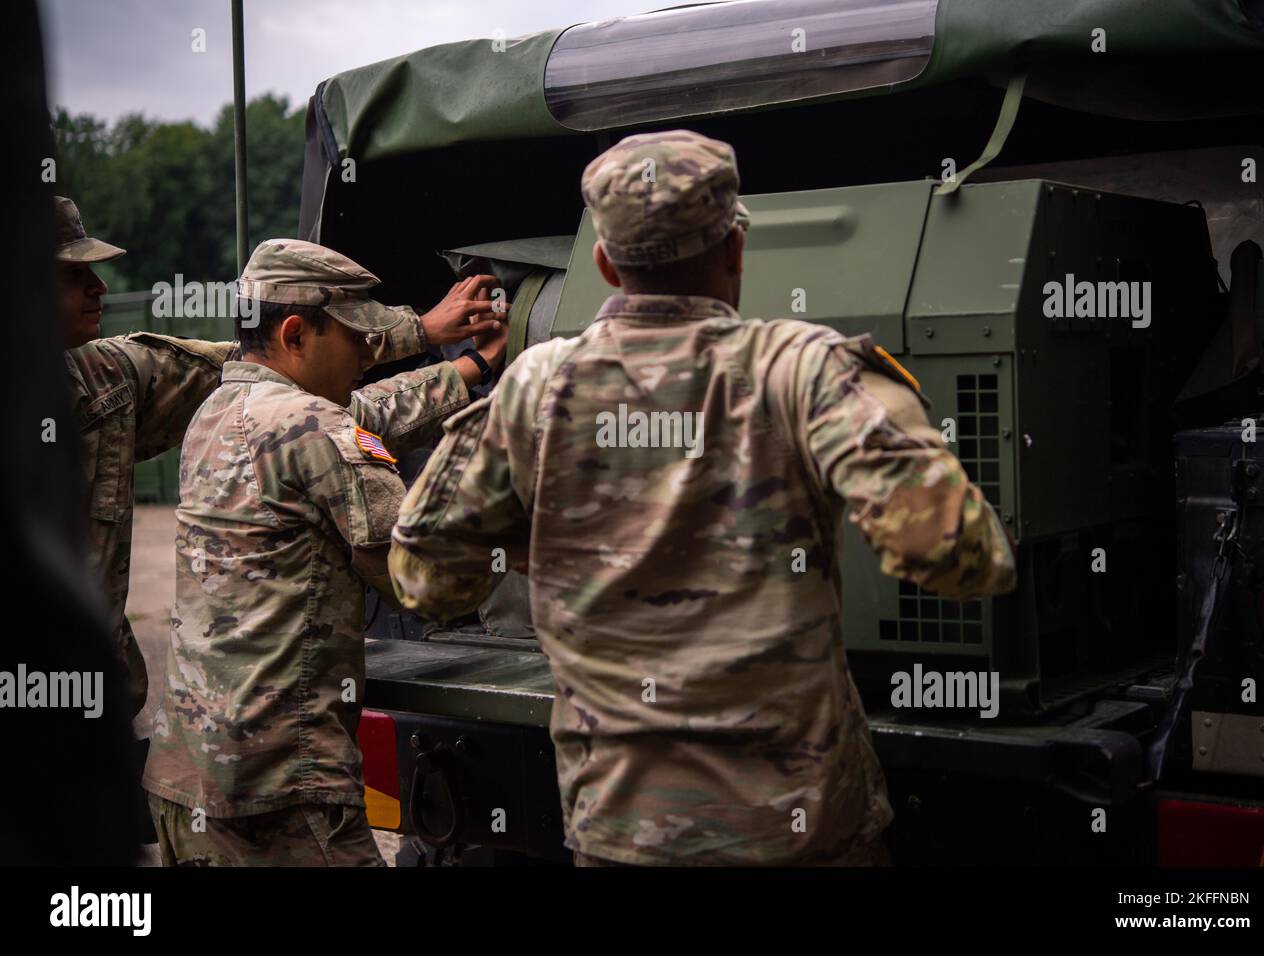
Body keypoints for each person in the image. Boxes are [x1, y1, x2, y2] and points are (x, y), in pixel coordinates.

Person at [387, 130, 1018, 866]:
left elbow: (424, 580)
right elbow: (963, 557)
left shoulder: (536, 385)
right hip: (799, 830)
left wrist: (547, 553)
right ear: (735, 251)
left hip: (622, 829)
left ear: (603, 262)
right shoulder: (803, 368)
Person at [142, 239, 508, 865]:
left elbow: (363, 411)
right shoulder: (317, 429)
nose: (370, 355)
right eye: (359, 340)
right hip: (281, 789)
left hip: (187, 776)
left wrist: (471, 367)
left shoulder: (218, 411)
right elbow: (424, 578)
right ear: (294, 334)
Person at [59, 195, 237, 718]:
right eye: (73, 275)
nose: (100, 287)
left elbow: (263, 361)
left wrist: (419, 333)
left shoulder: (102, 378)